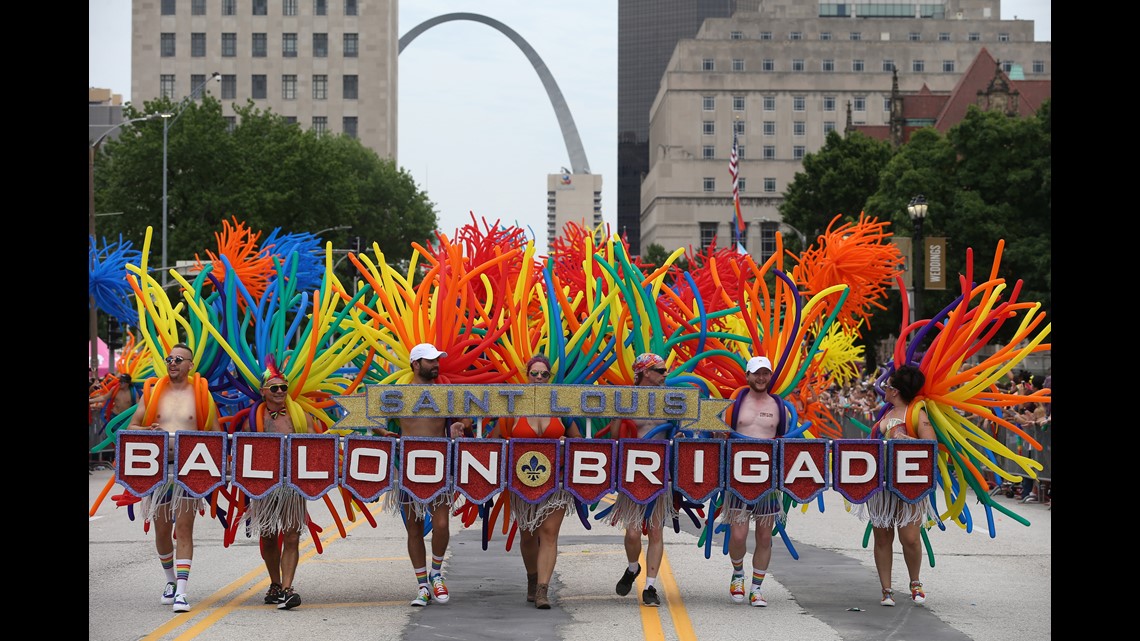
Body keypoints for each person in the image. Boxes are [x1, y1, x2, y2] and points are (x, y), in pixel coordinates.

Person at [128, 343, 221, 613]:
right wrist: (148, 429)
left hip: (189, 468)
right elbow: (133, 426)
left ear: (191, 365)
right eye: (170, 358)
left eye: (179, 359)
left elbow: (215, 433)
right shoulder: (153, 392)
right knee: (161, 530)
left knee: (184, 528)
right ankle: (169, 581)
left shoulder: (201, 395)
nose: (173, 363)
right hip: (158, 468)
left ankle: (181, 591)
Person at [377, 343, 472, 607]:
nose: (436, 364)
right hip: (408, 465)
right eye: (430, 361)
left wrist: (458, 424)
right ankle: (422, 586)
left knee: (442, 524)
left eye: (437, 360)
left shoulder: (444, 395)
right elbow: (373, 420)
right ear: (415, 364)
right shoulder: (398, 395)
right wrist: (384, 434)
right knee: (414, 528)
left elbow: (466, 420)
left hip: (439, 465)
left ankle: (436, 574)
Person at [488, 354, 584, 609]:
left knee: (549, 534)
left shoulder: (560, 408)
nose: (539, 378)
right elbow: (492, 442)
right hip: (523, 484)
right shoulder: (512, 409)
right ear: (526, 376)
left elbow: (580, 442)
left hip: (557, 483)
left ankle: (543, 590)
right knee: (528, 535)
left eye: (545, 375)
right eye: (535, 374)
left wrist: (566, 444)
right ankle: (532, 580)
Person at [855, 364, 936, 607]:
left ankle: (915, 582)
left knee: (909, 537)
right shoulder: (885, 414)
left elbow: (931, 445)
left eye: (888, 386)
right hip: (880, 486)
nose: (885, 390)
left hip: (908, 485)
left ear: (896, 391)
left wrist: (907, 440)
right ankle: (886, 589)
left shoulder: (916, 413)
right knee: (882, 537)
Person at [238, 368, 316, 611]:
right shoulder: (254, 418)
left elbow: (315, 443)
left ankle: (287, 588)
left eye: (284, 387)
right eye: (275, 388)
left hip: (293, 483)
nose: (281, 391)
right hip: (265, 483)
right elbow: (240, 448)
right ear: (263, 392)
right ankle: (275, 583)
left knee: (292, 535)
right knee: (269, 536)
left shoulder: (300, 415)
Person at [606, 352, 677, 607]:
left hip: (659, 472)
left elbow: (679, 430)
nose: (665, 374)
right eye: (660, 370)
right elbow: (615, 436)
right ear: (645, 372)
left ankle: (650, 587)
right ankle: (633, 567)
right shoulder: (627, 398)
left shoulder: (670, 399)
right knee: (633, 532)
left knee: (656, 531)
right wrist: (617, 416)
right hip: (633, 471)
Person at [720, 356, 788, 607]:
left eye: (765, 373)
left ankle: (757, 588)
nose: (761, 378)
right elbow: (722, 435)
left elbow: (783, 440)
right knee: (738, 536)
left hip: (767, 480)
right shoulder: (735, 404)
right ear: (747, 376)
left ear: (770, 376)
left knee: (764, 536)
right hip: (738, 478)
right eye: (756, 373)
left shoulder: (778, 406)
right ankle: (738, 574)